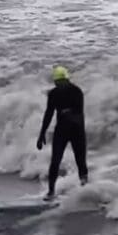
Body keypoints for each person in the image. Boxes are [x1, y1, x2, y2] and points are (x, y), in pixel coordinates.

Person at [36, 66, 88, 199]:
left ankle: (85, 189)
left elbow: (78, 111)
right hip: (61, 131)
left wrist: (67, 112)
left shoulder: (76, 91)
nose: (58, 85)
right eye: (56, 82)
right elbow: (48, 114)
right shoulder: (53, 94)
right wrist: (41, 134)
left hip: (77, 130)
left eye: (60, 82)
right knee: (55, 161)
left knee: (80, 161)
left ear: (66, 80)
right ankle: (51, 192)